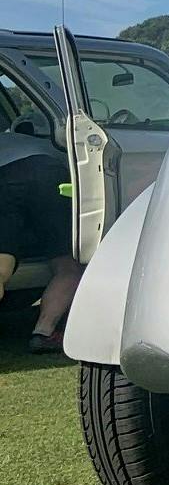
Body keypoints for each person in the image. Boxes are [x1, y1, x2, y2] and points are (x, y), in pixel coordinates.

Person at [0, 135, 81, 354]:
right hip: (48, 175)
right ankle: (44, 332)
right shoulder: (46, 140)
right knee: (68, 265)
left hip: (3, 177)